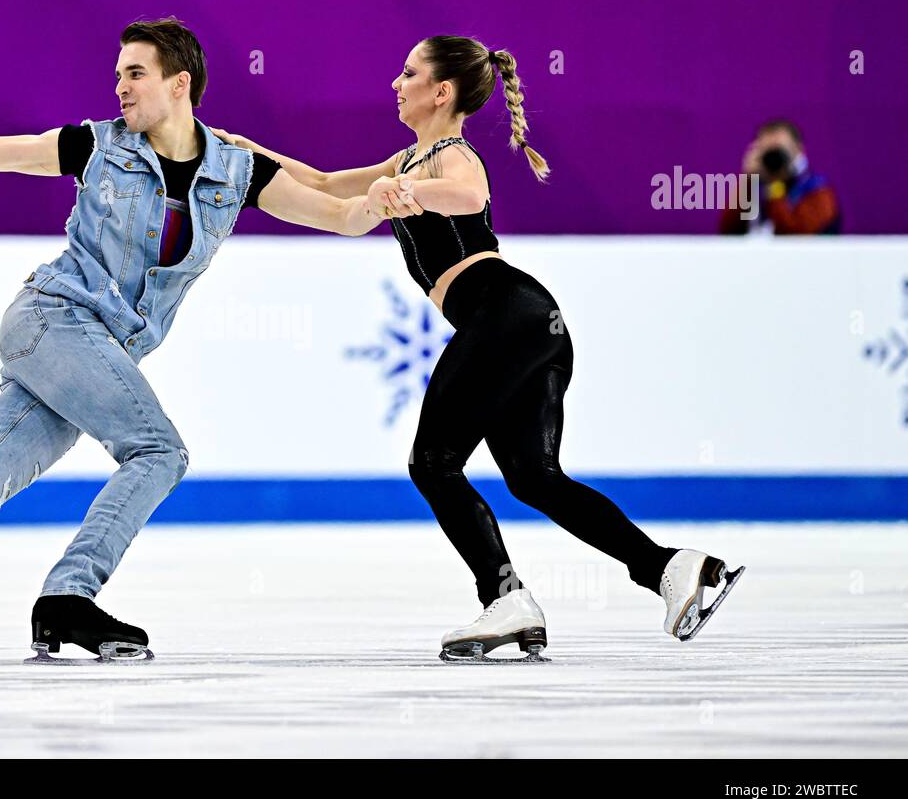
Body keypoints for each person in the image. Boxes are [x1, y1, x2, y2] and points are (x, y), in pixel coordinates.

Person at [0, 18, 379, 662]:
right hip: (53, 320)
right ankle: (68, 598)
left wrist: (388, 201)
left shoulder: (238, 171)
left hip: (86, 352)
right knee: (159, 452)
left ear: (179, 84)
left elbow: (338, 213)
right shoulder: (96, 146)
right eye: (118, 76)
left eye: (135, 74)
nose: (120, 88)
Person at [218, 36, 745, 662]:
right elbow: (329, 185)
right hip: (530, 322)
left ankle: (506, 599)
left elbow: (469, 196)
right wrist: (251, 155)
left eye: (408, 72)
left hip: (504, 315)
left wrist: (407, 194)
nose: (395, 83)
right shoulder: (410, 160)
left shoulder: (451, 156)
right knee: (534, 478)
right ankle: (671, 569)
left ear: (441, 92)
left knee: (432, 463)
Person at [718, 119, 840, 235]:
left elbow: (794, 238)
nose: (773, 159)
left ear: (799, 150)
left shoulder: (818, 191)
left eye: (778, 151)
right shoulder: (755, 187)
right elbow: (728, 230)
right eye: (767, 151)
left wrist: (775, 185)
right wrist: (748, 180)